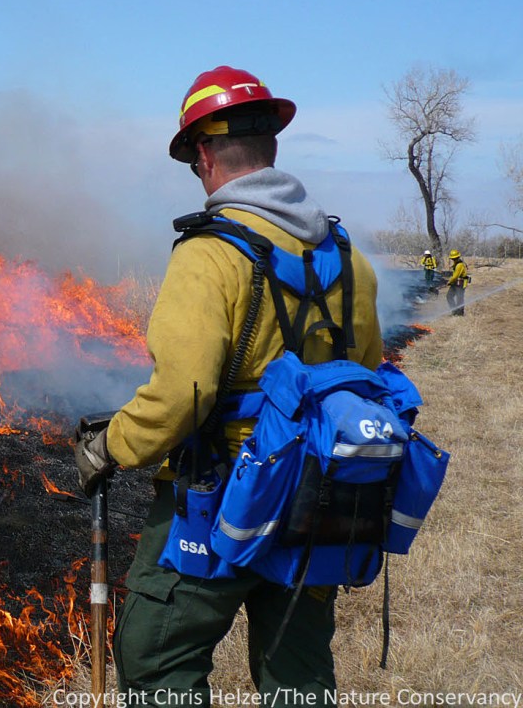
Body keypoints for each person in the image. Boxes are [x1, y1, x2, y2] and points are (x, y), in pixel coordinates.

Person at [74, 66, 384, 706]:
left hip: (219, 497)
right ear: (272, 144)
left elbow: (179, 397)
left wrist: (109, 447)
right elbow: (367, 379)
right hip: (319, 497)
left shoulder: (209, 254)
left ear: (206, 156)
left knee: (157, 660)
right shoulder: (349, 259)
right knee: (298, 674)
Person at [446, 249, 468, 316]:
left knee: (459, 298)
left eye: (454, 258)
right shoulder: (456, 264)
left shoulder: (460, 265)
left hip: (460, 283)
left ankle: (460, 313)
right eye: (452, 258)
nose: (453, 260)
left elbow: (455, 276)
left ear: (457, 257)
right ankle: (454, 310)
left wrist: (449, 282)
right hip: (455, 283)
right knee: (449, 296)